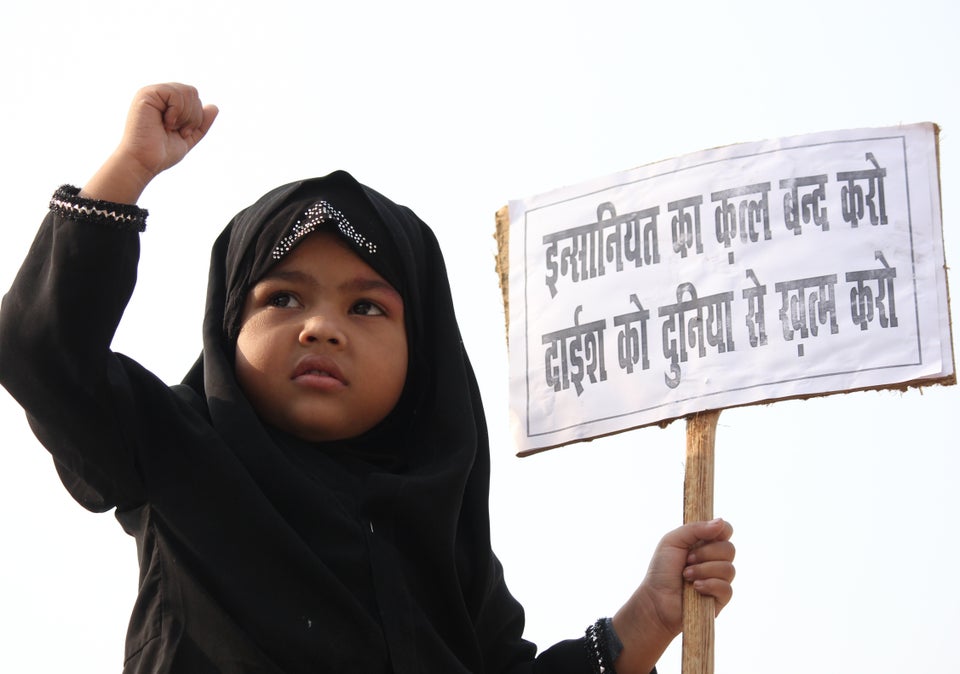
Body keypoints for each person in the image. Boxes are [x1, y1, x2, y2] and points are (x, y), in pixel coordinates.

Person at [0, 83, 735, 674]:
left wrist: (647, 618)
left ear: (424, 354)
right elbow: (42, 355)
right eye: (281, 298)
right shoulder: (173, 450)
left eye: (366, 307)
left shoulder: (443, 539)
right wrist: (127, 170)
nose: (321, 326)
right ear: (228, 330)